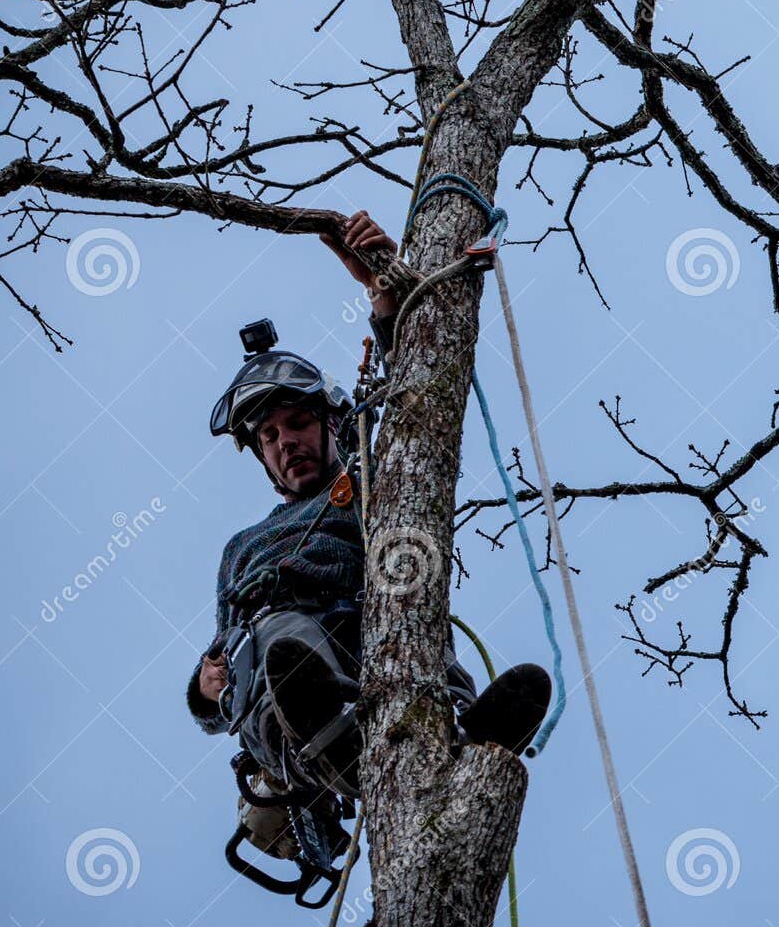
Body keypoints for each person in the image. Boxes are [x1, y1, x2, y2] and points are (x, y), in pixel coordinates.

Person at [187, 211, 551, 814]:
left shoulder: (368, 483)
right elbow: (217, 662)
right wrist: (204, 690)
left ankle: (457, 732)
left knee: (417, 633)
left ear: (333, 425)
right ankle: (334, 745)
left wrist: (383, 293)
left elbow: (414, 408)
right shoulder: (242, 548)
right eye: (270, 435)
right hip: (283, 677)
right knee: (283, 639)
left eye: (299, 422)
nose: (286, 441)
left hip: (363, 633)